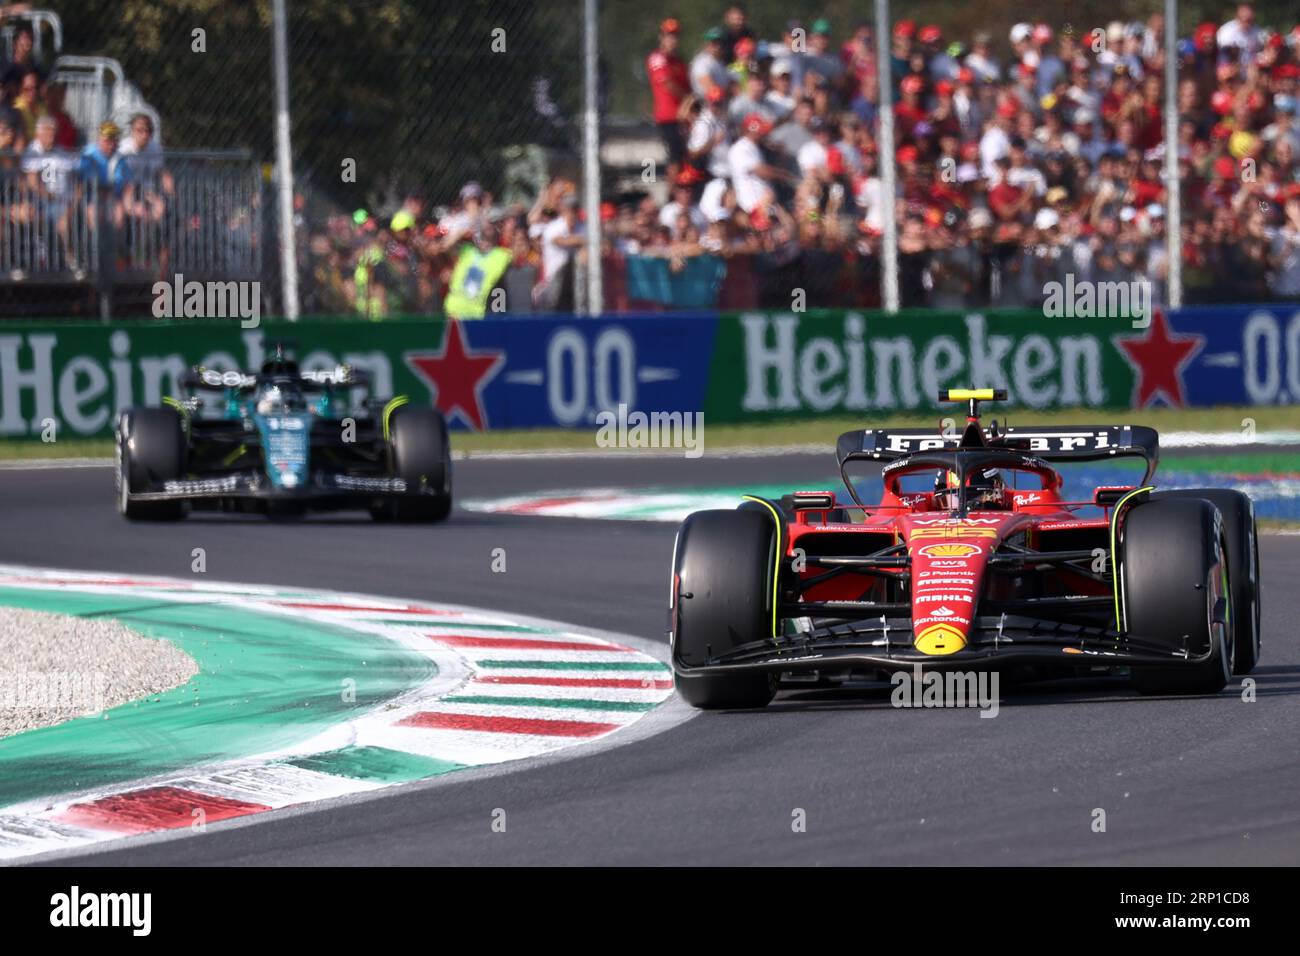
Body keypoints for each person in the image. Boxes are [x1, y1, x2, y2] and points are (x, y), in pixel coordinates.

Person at [647, 19, 689, 176]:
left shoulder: (679, 62)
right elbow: (668, 84)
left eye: (675, 36)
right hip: (668, 116)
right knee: (674, 160)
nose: (672, 40)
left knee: (684, 159)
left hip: (683, 117)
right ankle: (672, 196)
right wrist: (688, 99)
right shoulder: (657, 58)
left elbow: (687, 85)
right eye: (669, 35)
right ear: (661, 37)